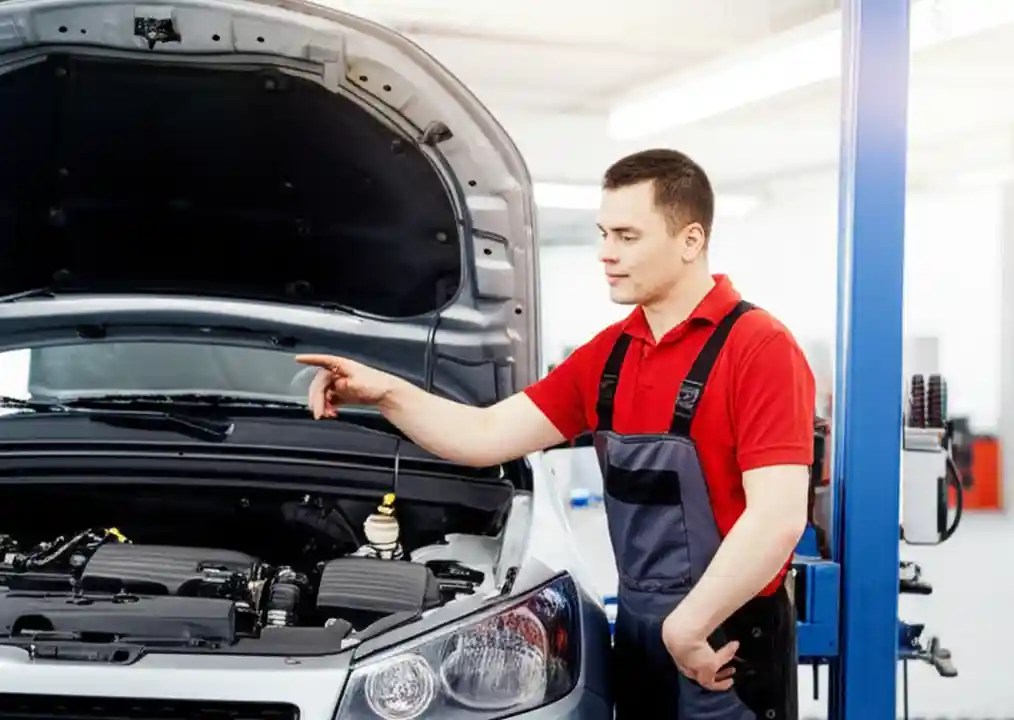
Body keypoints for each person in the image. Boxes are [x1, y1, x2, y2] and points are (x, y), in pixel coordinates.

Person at [295, 148, 816, 720]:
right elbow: (485, 434)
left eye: (626, 236)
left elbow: (778, 514)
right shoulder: (609, 357)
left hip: (725, 644)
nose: (606, 254)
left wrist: (690, 626)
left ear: (690, 241)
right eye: (603, 233)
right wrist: (385, 392)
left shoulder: (759, 348)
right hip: (645, 637)